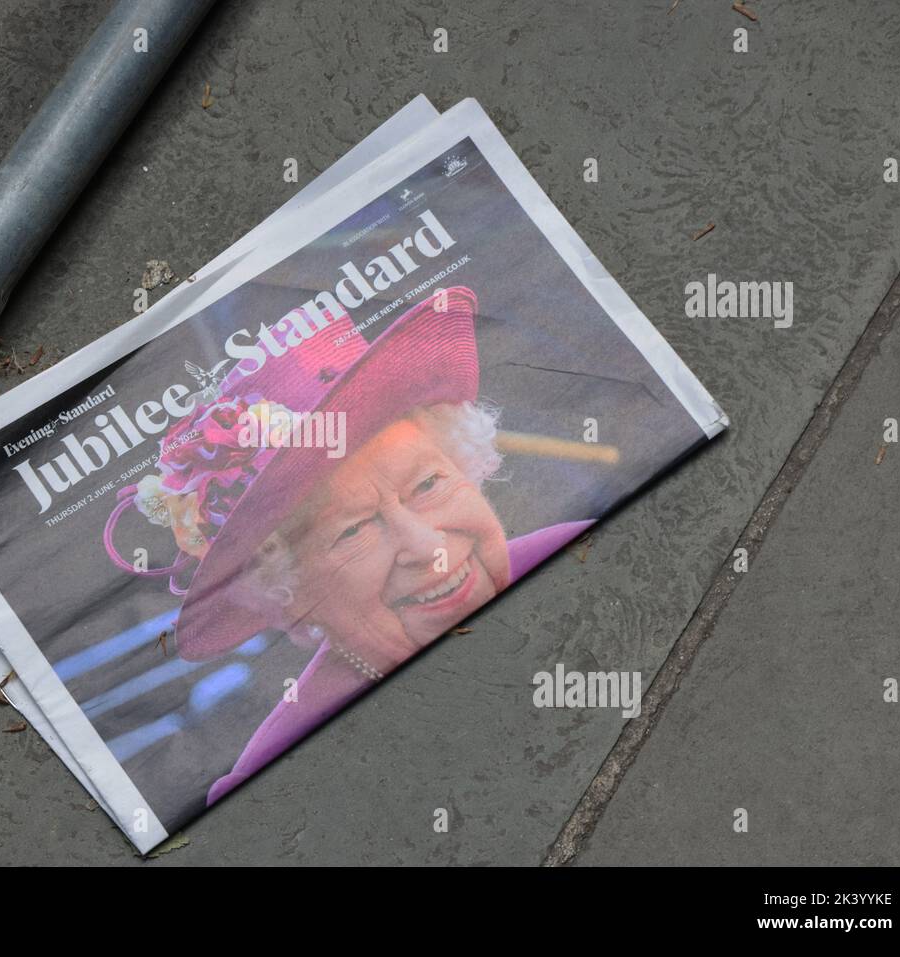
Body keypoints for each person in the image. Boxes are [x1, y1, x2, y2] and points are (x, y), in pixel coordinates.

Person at [104, 286, 593, 804]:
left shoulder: (586, 550)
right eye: (353, 530)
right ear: (285, 588)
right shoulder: (277, 785)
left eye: (428, 484)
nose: (427, 547)